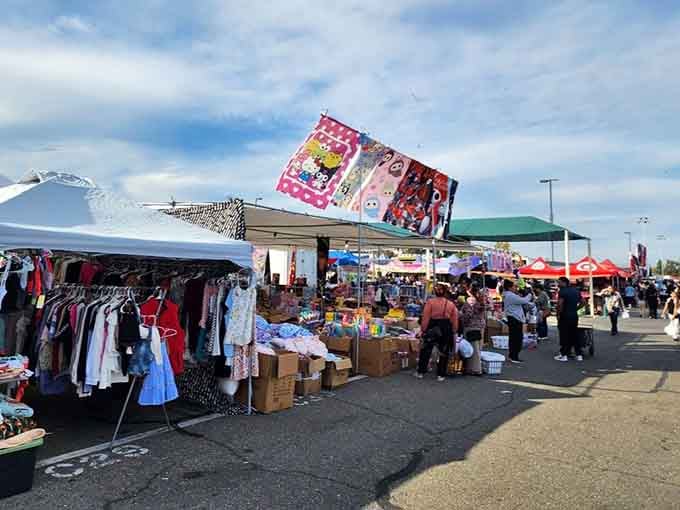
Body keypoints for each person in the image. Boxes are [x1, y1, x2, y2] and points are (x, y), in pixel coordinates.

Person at [416, 283, 458, 381]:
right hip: (446, 327)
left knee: (426, 349)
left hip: (432, 326)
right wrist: (454, 331)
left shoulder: (430, 302)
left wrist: (423, 330)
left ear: (435, 292)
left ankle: (421, 372)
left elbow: (425, 317)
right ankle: (441, 374)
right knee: (444, 351)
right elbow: (454, 319)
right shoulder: (451, 304)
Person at [502, 279, 533, 363]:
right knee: (517, 339)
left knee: (514, 338)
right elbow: (524, 300)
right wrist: (529, 294)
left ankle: (513, 356)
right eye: (514, 286)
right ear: (509, 287)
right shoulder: (510, 295)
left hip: (513, 318)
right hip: (515, 319)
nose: (516, 288)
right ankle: (514, 356)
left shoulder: (508, 294)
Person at [555, 277, 583, 362]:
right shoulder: (576, 291)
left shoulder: (562, 291)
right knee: (574, 334)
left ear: (564, 283)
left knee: (564, 335)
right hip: (574, 316)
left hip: (565, 316)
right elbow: (583, 302)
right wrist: (576, 309)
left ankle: (564, 355)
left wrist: (558, 314)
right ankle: (579, 355)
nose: (558, 284)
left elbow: (560, 304)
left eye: (559, 282)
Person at [460, 282, 485, 375]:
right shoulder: (481, 299)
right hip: (480, 326)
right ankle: (477, 368)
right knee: (478, 348)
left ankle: (475, 369)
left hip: (471, 326)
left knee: (472, 349)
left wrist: (462, 317)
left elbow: (468, 314)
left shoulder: (471, 300)